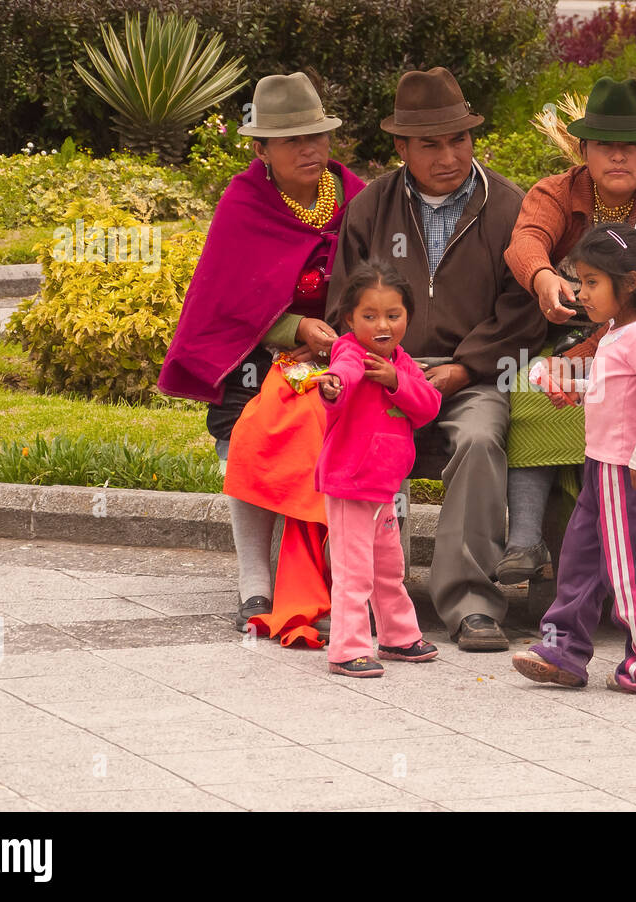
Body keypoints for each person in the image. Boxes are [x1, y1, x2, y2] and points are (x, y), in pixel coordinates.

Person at [328, 67, 544, 652]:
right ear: (401, 148)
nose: (448, 155)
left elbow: (523, 310)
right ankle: (366, 597)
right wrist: (383, 365)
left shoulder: (508, 208)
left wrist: (465, 367)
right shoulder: (371, 207)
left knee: (478, 438)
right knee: (357, 440)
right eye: (430, 144)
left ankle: (471, 602)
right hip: (379, 371)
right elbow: (346, 298)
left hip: (470, 374)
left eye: (459, 139)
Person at [158, 72, 365, 644]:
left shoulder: (355, 195)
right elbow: (225, 296)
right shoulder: (244, 202)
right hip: (257, 358)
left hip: (340, 355)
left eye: (317, 137)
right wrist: (294, 327)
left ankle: (323, 577)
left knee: (334, 425)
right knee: (250, 431)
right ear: (261, 150)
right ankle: (256, 578)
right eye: (292, 140)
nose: (309, 149)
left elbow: (383, 286)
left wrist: (340, 338)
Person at [500, 76, 636, 585]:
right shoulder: (555, 192)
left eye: (632, 146)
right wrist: (544, 277)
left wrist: (586, 355)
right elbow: (526, 239)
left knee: (598, 394)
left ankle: (599, 554)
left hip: (635, 341)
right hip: (551, 334)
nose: (618, 157)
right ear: (583, 149)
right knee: (530, 389)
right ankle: (525, 541)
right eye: (604, 145)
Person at [512, 224, 636, 694]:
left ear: (630, 282)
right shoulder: (618, 330)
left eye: (592, 282)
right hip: (602, 466)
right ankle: (563, 651)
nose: (581, 292)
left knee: (629, 568)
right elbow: (615, 389)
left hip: (622, 471)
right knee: (581, 560)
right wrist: (573, 390)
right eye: (580, 280)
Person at [316, 262, 442, 677]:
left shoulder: (401, 362)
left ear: (408, 314)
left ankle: (399, 636)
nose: (382, 325)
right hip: (351, 483)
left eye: (393, 315)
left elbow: (428, 405)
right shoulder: (349, 353)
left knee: (389, 568)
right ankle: (347, 648)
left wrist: (395, 380)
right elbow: (344, 377)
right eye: (369, 316)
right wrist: (333, 384)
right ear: (349, 319)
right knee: (354, 572)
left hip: (384, 487)